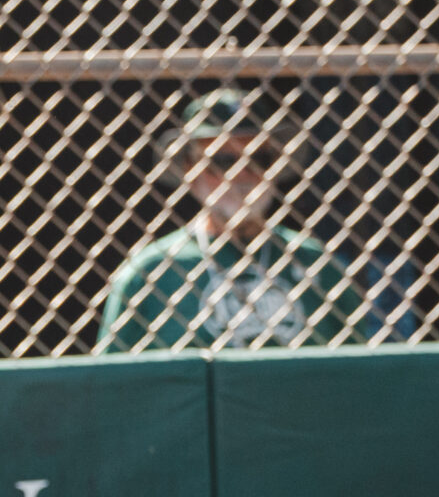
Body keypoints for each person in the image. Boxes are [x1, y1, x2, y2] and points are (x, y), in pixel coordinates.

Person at [96, 89, 373, 353]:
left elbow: (361, 375)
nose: (242, 174)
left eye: (259, 158)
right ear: (191, 170)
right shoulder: (149, 273)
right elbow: (110, 387)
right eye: (223, 160)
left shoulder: (317, 264)